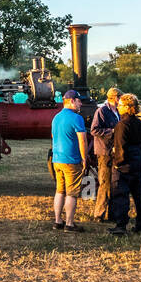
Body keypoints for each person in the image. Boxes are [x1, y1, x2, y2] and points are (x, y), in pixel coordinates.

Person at [108, 94, 141, 236]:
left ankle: (121, 225)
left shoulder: (122, 125)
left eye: (120, 105)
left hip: (123, 166)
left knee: (121, 195)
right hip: (137, 162)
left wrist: (117, 163)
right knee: (139, 196)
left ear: (127, 107)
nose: (118, 107)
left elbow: (120, 147)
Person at [50, 89, 90, 232]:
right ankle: (69, 224)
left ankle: (57, 221)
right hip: (71, 160)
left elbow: (54, 138)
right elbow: (83, 140)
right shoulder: (76, 118)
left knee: (59, 190)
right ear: (72, 101)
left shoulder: (56, 117)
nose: (81, 105)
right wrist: (84, 158)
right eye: (79, 101)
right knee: (72, 193)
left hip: (57, 160)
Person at [90, 87, 121, 221]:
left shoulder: (118, 112)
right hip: (104, 152)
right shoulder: (101, 111)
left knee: (115, 183)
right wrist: (112, 132)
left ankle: (113, 214)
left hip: (116, 152)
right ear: (115, 97)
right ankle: (99, 214)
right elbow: (94, 130)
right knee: (104, 183)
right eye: (120, 98)